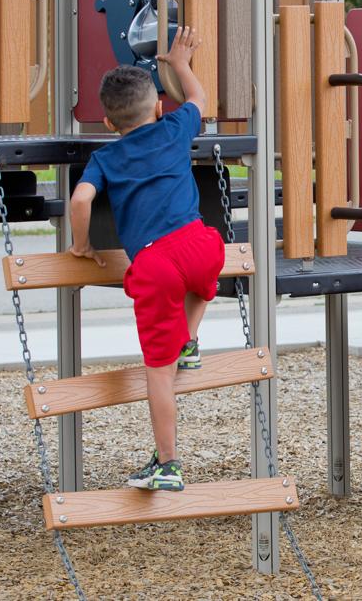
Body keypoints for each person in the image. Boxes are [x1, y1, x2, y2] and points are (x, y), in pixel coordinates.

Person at [68, 26, 224, 492]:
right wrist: (179, 64)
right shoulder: (174, 128)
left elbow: (81, 201)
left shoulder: (105, 158)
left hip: (155, 265)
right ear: (158, 108)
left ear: (108, 123)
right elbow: (198, 98)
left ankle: (168, 464)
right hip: (200, 245)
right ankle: (189, 340)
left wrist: (82, 245)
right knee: (205, 276)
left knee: (159, 371)